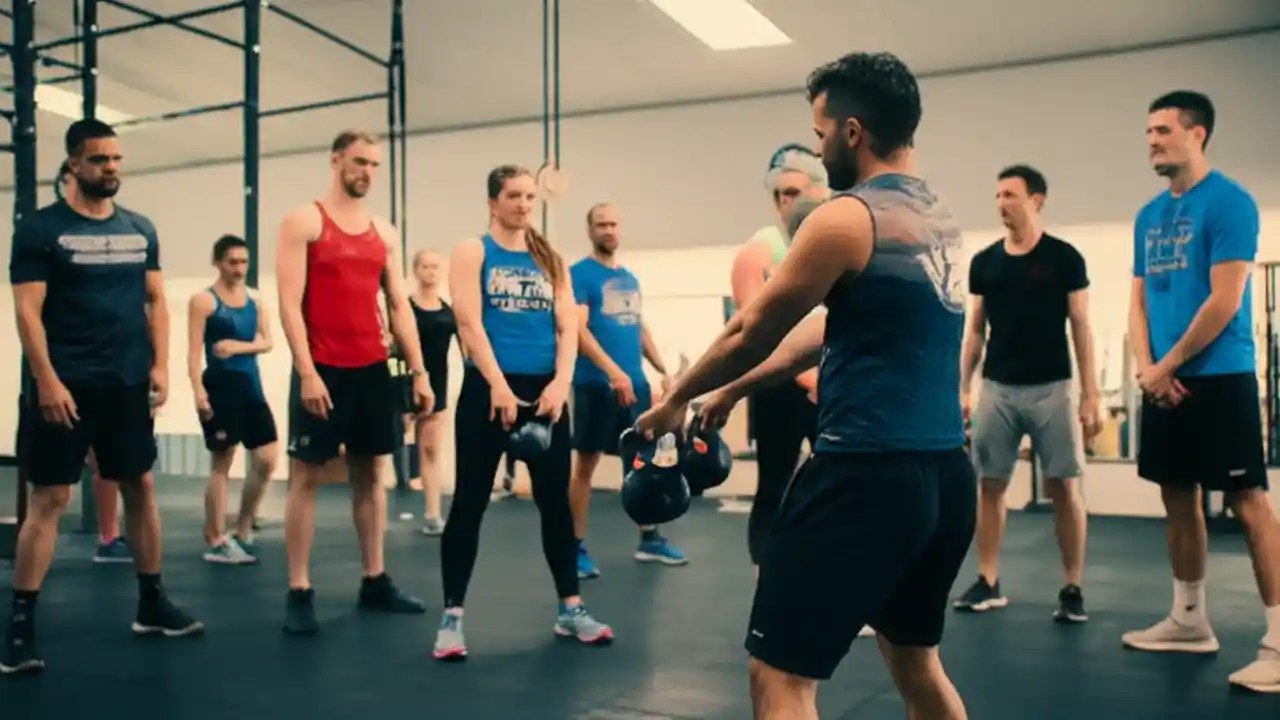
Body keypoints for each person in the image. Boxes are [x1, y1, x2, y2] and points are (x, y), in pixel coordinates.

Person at [637, 51, 972, 719]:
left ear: (852, 131)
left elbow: (749, 329)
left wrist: (673, 400)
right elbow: (827, 330)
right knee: (915, 661)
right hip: (943, 478)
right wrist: (732, 392)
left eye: (820, 134)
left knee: (779, 677)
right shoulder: (938, 221)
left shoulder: (845, 218)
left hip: (863, 477)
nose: (819, 151)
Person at [3, 118, 204, 676]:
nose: (110, 168)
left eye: (116, 159)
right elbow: (27, 310)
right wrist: (46, 380)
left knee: (141, 486)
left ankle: (151, 602)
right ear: (73, 164)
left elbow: (156, 302)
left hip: (126, 385)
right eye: (98, 160)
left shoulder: (141, 228)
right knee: (51, 500)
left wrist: (160, 365)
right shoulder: (41, 230)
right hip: (66, 387)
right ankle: (20, 624)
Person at [1123, 90, 1280, 693]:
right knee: (1177, 496)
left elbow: (1226, 299)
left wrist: (1170, 365)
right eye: (1148, 132)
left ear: (1198, 134)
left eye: (1162, 130)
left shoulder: (1230, 203)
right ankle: (1189, 620)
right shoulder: (1147, 215)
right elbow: (1137, 301)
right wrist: (1147, 367)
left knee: (1248, 501)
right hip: (1164, 376)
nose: (1152, 141)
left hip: (1220, 375)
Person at [433, 164, 613, 661]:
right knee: (470, 502)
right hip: (488, 390)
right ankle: (452, 618)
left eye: (530, 196)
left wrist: (560, 384)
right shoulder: (474, 251)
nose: (523, 204)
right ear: (493, 201)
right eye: (513, 195)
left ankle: (570, 608)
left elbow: (567, 328)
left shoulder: (549, 257)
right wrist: (497, 385)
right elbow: (468, 322)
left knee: (555, 503)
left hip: (545, 393)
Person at [275, 129, 434, 635]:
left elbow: (399, 305)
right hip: (322, 368)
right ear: (336, 159)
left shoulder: (383, 233)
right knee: (305, 478)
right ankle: (299, 589)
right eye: (359, 162)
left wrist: (419, 369)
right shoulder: (304, 221)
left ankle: (375, 578)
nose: (366, 172)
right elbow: (288, 301)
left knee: (371, 476)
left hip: (371, 367)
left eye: (374, 165)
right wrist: (306, 371)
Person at [953, 164, 1100, 623]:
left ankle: (1072, 586)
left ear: (1037, 199)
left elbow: (1081, 326)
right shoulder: (985, 262)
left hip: (1053, 387)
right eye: (997, 195)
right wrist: (962, 387)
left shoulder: (1065, 258)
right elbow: (975, 331)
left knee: (1063, 487)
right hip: (998, 387)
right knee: (990, 485)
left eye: (1010, 195)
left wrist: (1092, 393)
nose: (1001, 204)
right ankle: (989, 579)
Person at [570, 202, 684, 579]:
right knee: (585, 465)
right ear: (590, 231)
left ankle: (649, 538)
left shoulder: (630, 278)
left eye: (614, 223)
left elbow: (638, 328)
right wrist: (611, 371)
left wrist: (663, 371)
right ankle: (575, 547)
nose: (609, 230)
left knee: (642, 461)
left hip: (634, 383)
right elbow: (578, 330)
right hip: (595, 384)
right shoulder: (580, 275)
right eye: (601, 224)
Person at [731, 143, 827, 571]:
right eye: (781, 193)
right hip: (781, 387)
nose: (789, 201)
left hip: (832, 383)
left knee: (840, 488)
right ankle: (766, 593)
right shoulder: (759, 250)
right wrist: (810, 381)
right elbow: (757, 331)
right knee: (774, 484)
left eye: (796, 192)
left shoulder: (829, 242)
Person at [187, 234, 278, 565]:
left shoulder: (257, 302)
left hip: (251, 385)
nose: (240, 269)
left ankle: (242, 527)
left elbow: (267, 342)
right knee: (222, 461)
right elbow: (194, 352)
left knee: (267, 458)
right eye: (233, 262)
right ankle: (215, 538)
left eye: (244, 262)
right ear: (218, 262)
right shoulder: (204, 302)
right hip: (221, 384)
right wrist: (197, 390)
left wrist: (237, 346)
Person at [408, 248, 460, 536]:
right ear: (416, 271)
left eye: (435, 267)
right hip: (405, 384)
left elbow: (466, 348)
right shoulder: (405, 308)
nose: (430, 272)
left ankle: (432, 514)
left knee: (430, 450)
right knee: (379, 455)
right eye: (425, 266)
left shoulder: (447, 311)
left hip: (437, 386)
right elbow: (391, 347)